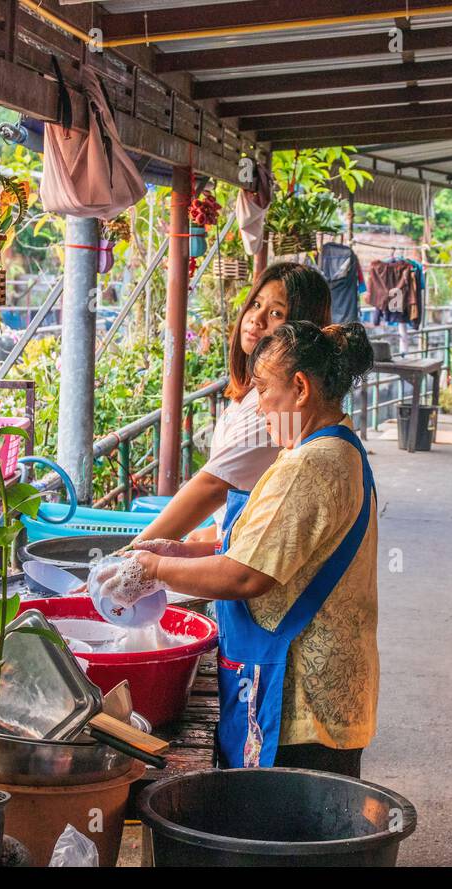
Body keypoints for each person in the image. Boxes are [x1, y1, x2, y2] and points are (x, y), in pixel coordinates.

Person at [99, 322, 379, 776]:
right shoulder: (329, 447)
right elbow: (269, 546)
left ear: (301, 388)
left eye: (264, 389)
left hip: (302, 700)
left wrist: (153, 568)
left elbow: (246, 576)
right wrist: (182, 552)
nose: (258, 405)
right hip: (324, 691)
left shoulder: (309, 463)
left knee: (290, 838)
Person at [136, 262, 331, 543]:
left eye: (276, 313)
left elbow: (215, 485)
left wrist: (131, 553)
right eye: (255, 305)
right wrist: (203, 537)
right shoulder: (256, 390)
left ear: (301, 329)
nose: (257, 319)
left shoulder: (279, 405)